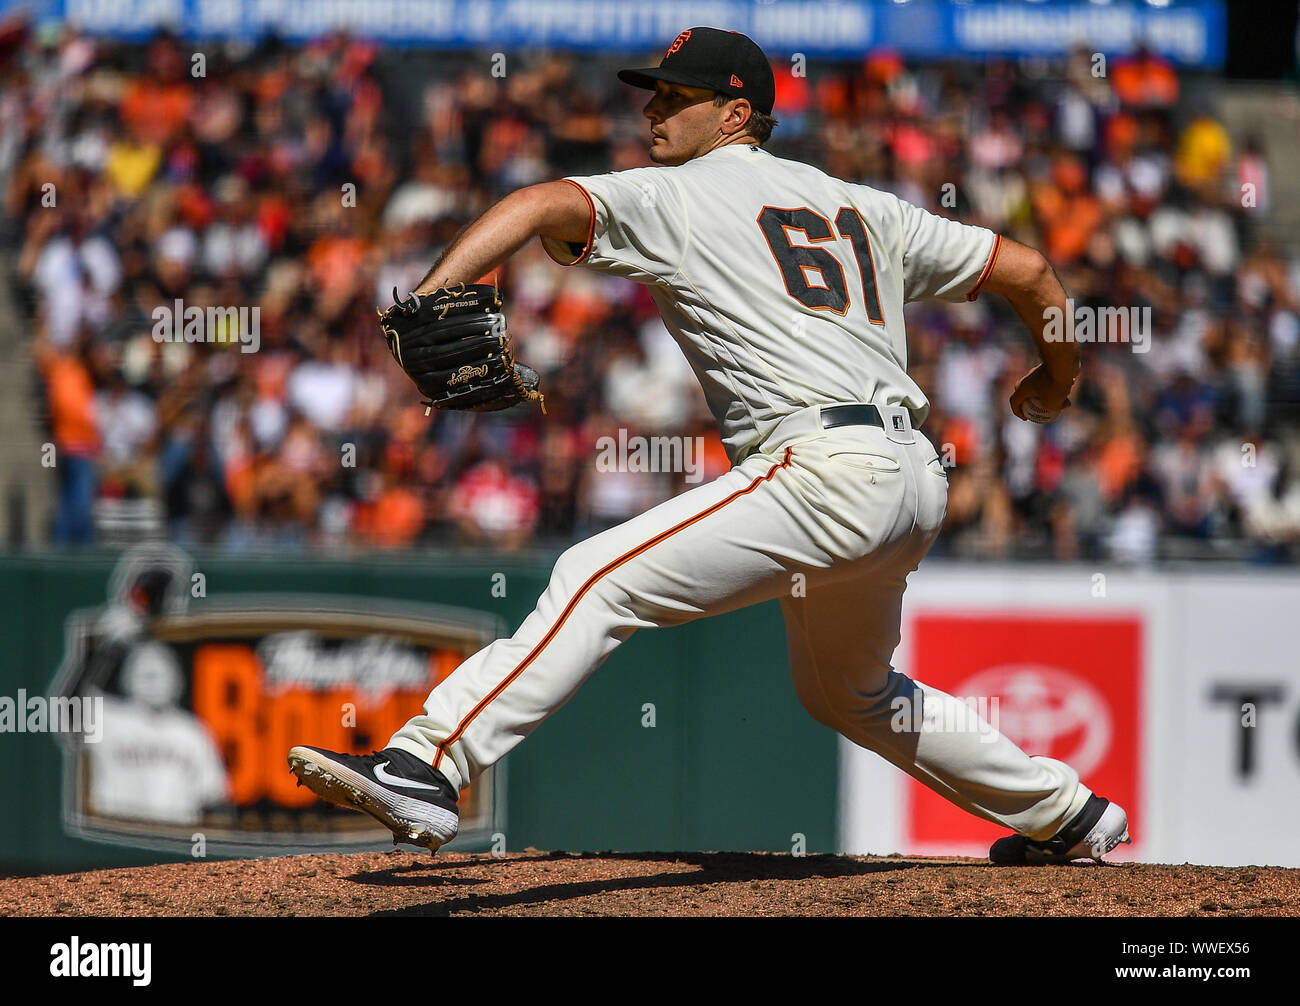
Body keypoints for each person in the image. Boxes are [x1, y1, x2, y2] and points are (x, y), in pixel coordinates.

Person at [290, 27, 1130, 865]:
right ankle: (1070, 815)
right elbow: (1031, 274)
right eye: (652, 92)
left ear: (736, 114)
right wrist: (1057, 380)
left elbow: (538, 204)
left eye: (674, 96)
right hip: (913, 478)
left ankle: (427, 762)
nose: (653, 108)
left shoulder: (681, 195)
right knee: (852, 693)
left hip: (822, 472)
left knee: (596, 576)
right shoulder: (865, 206)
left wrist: (430, 294)